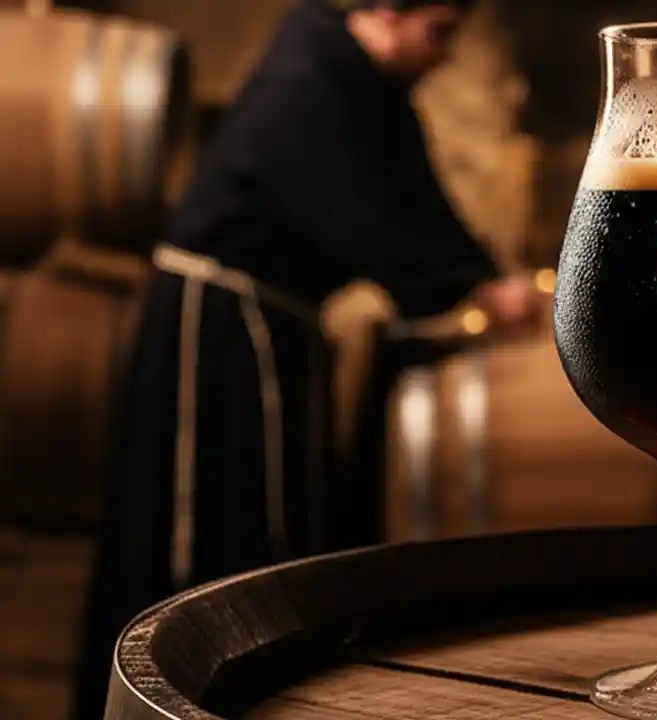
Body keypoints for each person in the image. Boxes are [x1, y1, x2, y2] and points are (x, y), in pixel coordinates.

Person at [73, 0, 537, 716]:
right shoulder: (309, 75)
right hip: (219, 318)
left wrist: (480, 273)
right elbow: (353, 216)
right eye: (437, 32)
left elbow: (415, 198)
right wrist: (467, 284)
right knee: (204, 524)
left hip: (273, 319)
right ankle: (177, 695)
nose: (442, 54)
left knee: (273, 520)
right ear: (386, 12)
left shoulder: (364, 86)